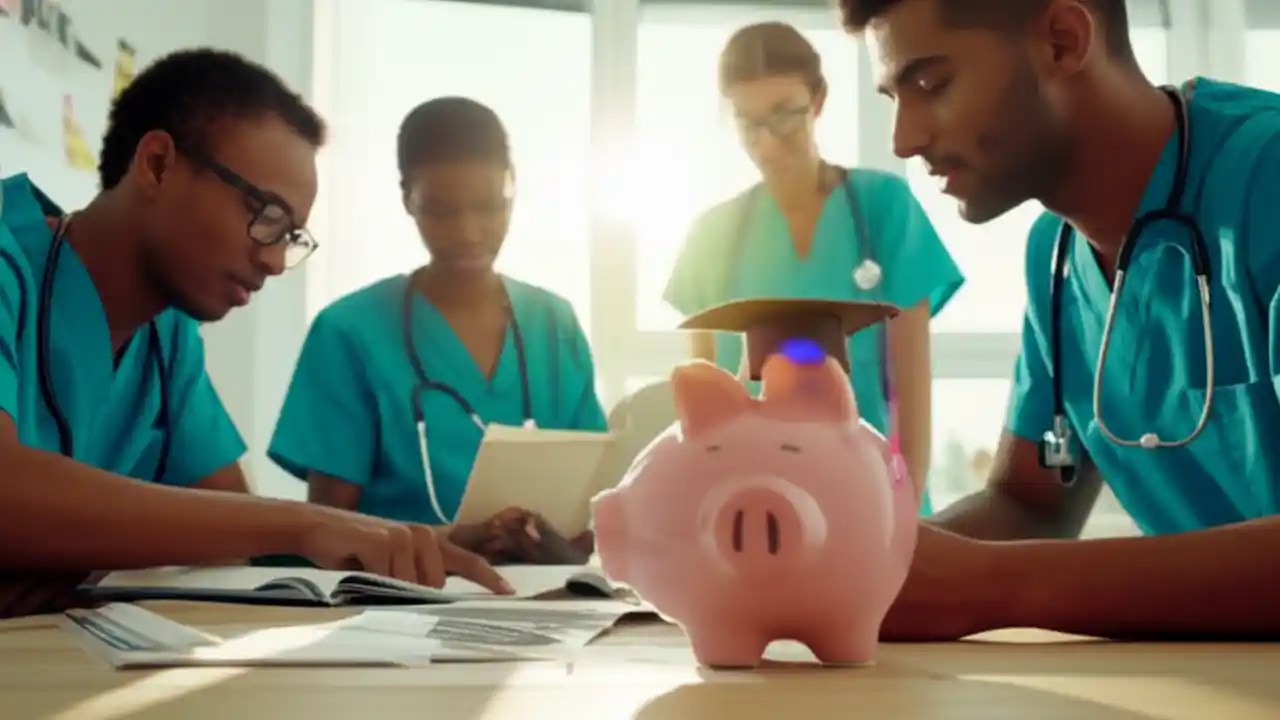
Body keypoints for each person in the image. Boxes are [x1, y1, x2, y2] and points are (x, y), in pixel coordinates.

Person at [0, 49, 509, 618]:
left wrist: (402, 543)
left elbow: (238, 540)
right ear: (158, 164)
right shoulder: (8, 262)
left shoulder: (168, 343)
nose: (272, 260)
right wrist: (306, 522)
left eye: (290, 236)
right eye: (266, 216)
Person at [838, 0, 1280, 639]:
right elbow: (1030, 504)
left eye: (931, 85)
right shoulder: (1056, 257)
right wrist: (834, 564)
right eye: (893, 99)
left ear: (1063, 42)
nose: (905, 140)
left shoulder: (1265, 181)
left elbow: (1000, 565)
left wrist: (990, 587)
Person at [268, 97, 606, 565]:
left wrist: (559, 548)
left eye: (488, 207)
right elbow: (327, 534)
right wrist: (449, 541)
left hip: (544, 603)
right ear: (408, 199)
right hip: (395, 606)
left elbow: (594, 517)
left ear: (513, 186)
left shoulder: (555, 325)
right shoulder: (349, 333)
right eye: (441, 211)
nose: (468, 232)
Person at [663, 22, 965, 514]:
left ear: (818, 100)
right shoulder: (710, 237)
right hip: (748, 506)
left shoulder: (883, 209)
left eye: (784, 116)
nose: (767, 142)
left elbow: (909, 391)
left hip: (874, 498)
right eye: (747, 121)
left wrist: (904, 514)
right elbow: (698, 412)